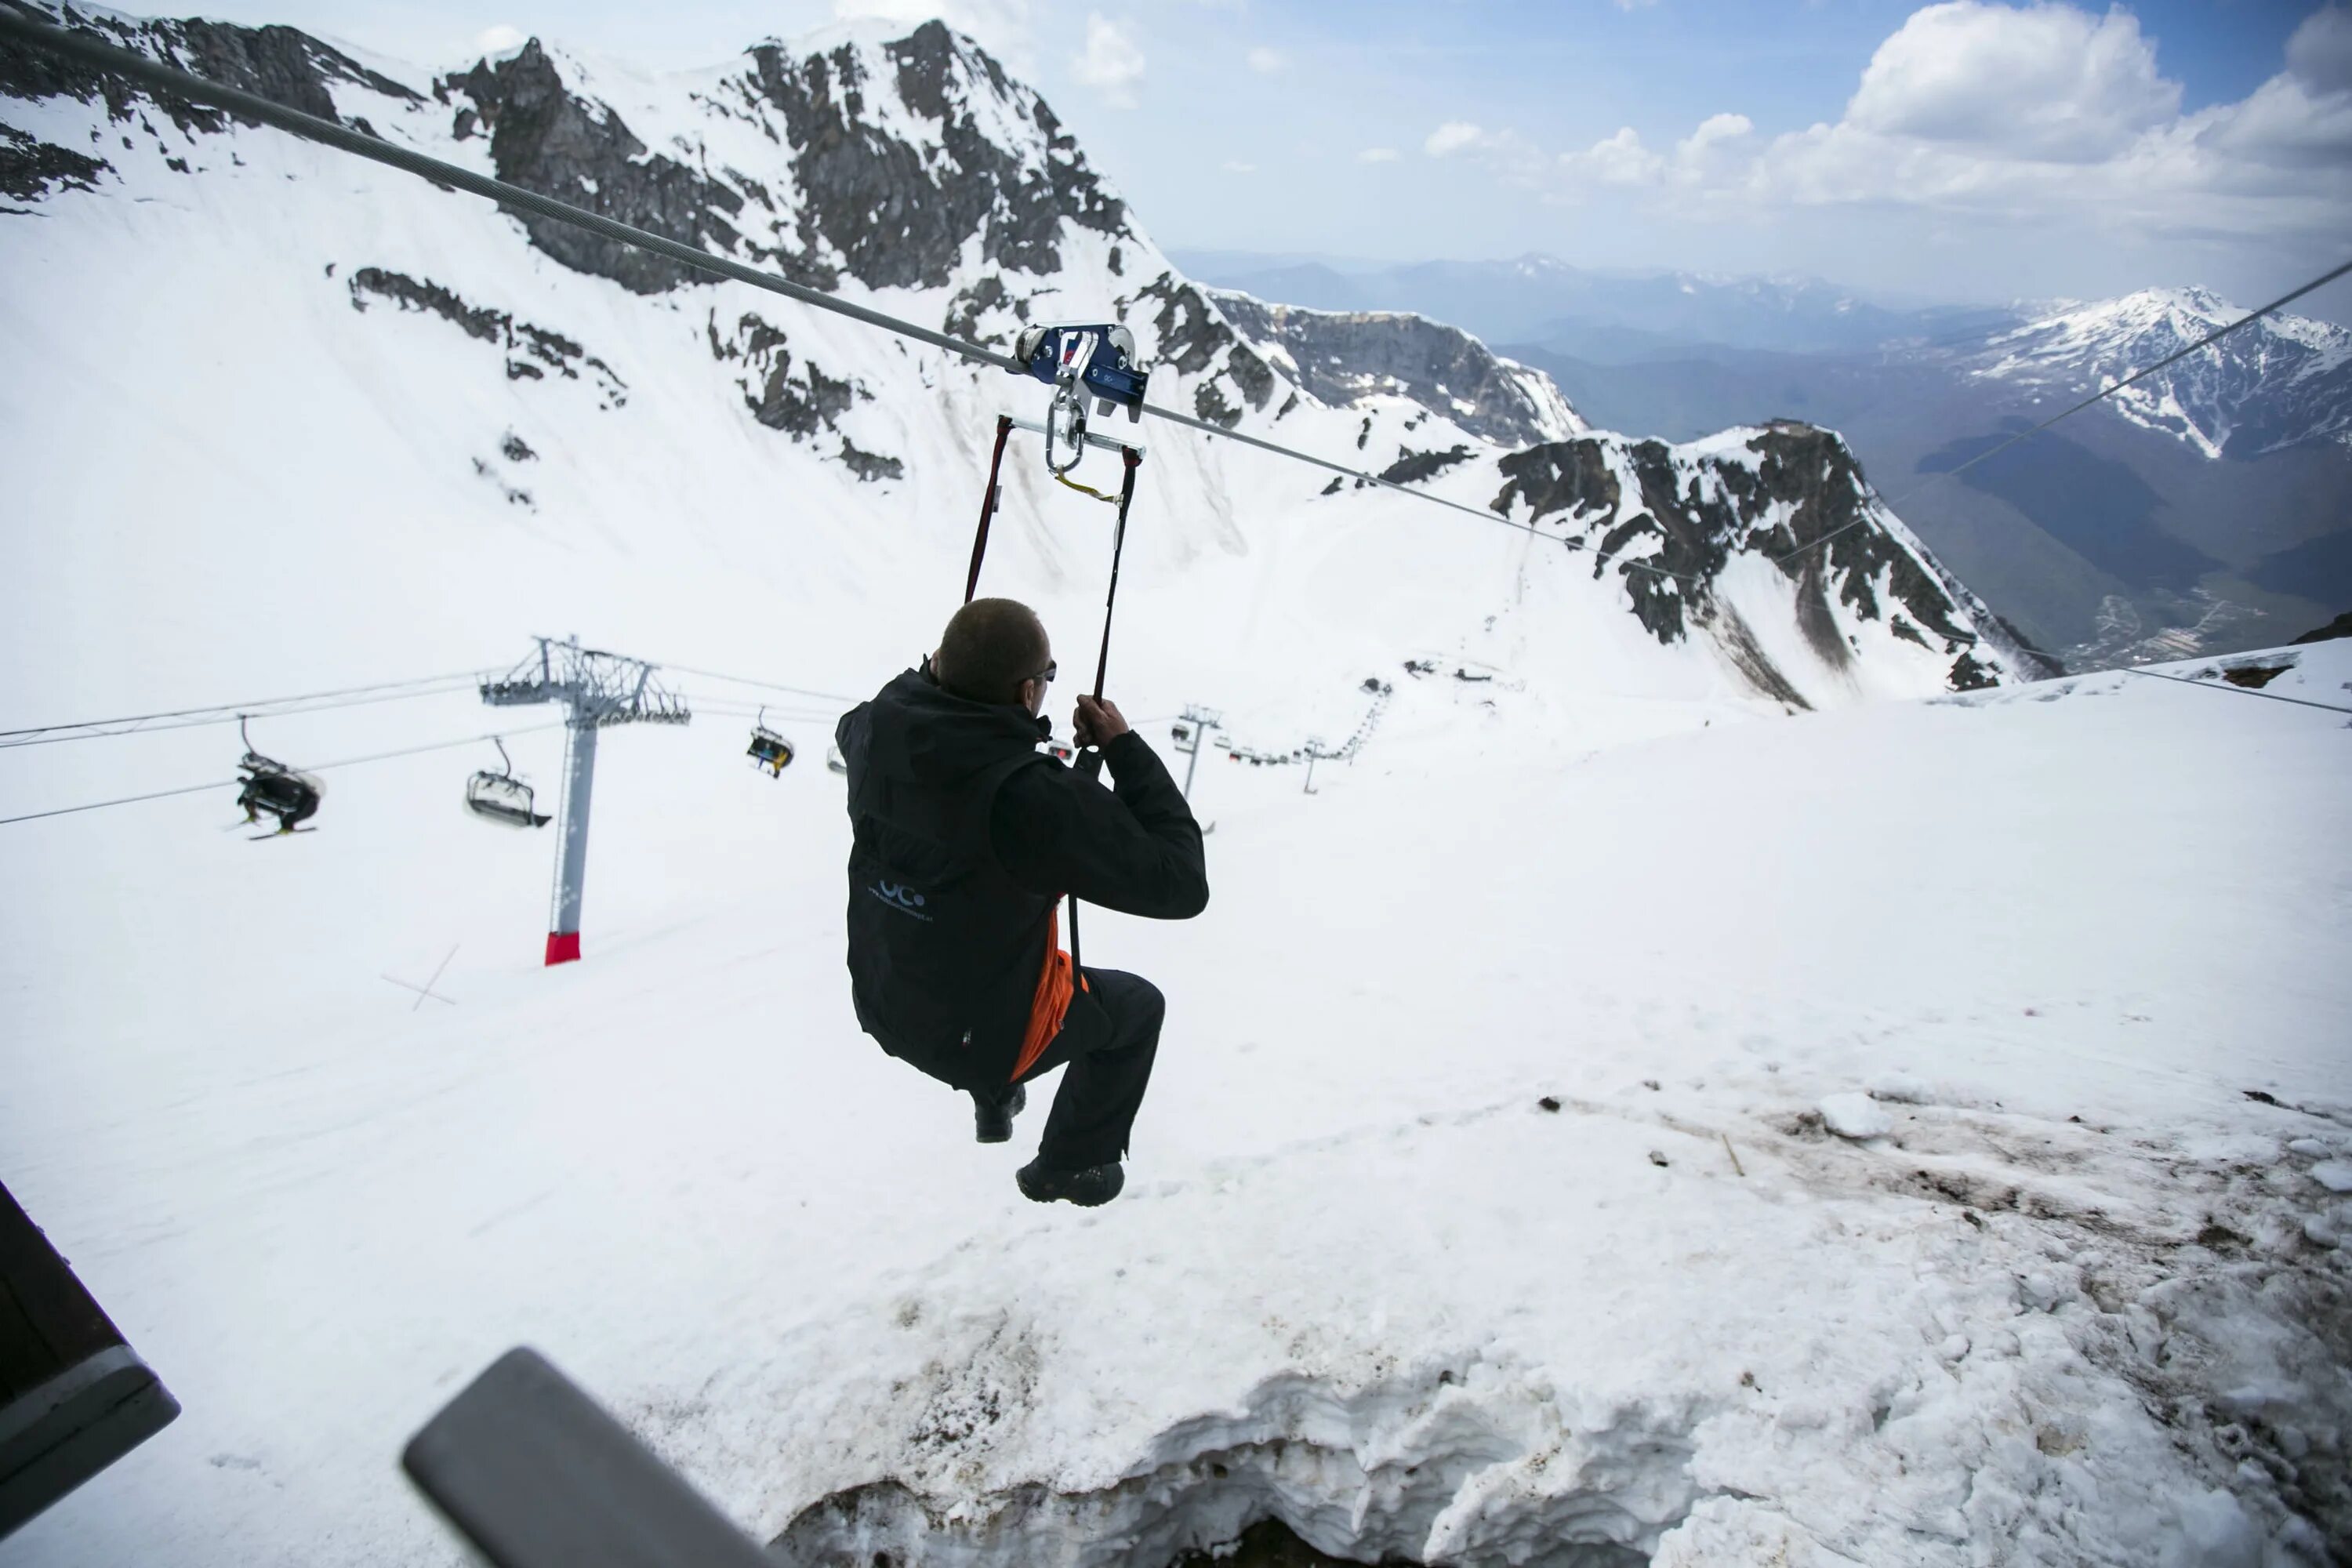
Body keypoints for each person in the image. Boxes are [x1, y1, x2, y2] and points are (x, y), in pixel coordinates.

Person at [836, 597, 1208, 1207]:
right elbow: (1182, 883)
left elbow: (881, 707)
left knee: (979, 950)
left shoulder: (869, 733)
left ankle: (993, 1095)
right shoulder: (1034, 801)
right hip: (982, 1033)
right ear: (1030, 689)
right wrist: (1122, 748)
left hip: (883, 997)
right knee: (1136, 1009)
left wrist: (940, 680)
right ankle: (1071, 1164)